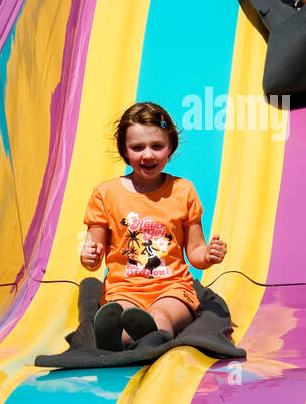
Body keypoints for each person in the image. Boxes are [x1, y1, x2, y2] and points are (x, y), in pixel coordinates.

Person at [80, 101, 227, 350]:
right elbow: (92, 258)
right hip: (123, 289)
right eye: (137, 147)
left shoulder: (183, 191)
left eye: (156, 146)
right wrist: (88, 255)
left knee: (161, 315)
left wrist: (209, 256)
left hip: (172, 288)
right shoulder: (105, 194)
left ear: (170, 148)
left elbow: (195, 254)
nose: (148, 155)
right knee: (122, 316)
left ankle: (152, 337)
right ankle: (120, 338)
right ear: (125, 151)